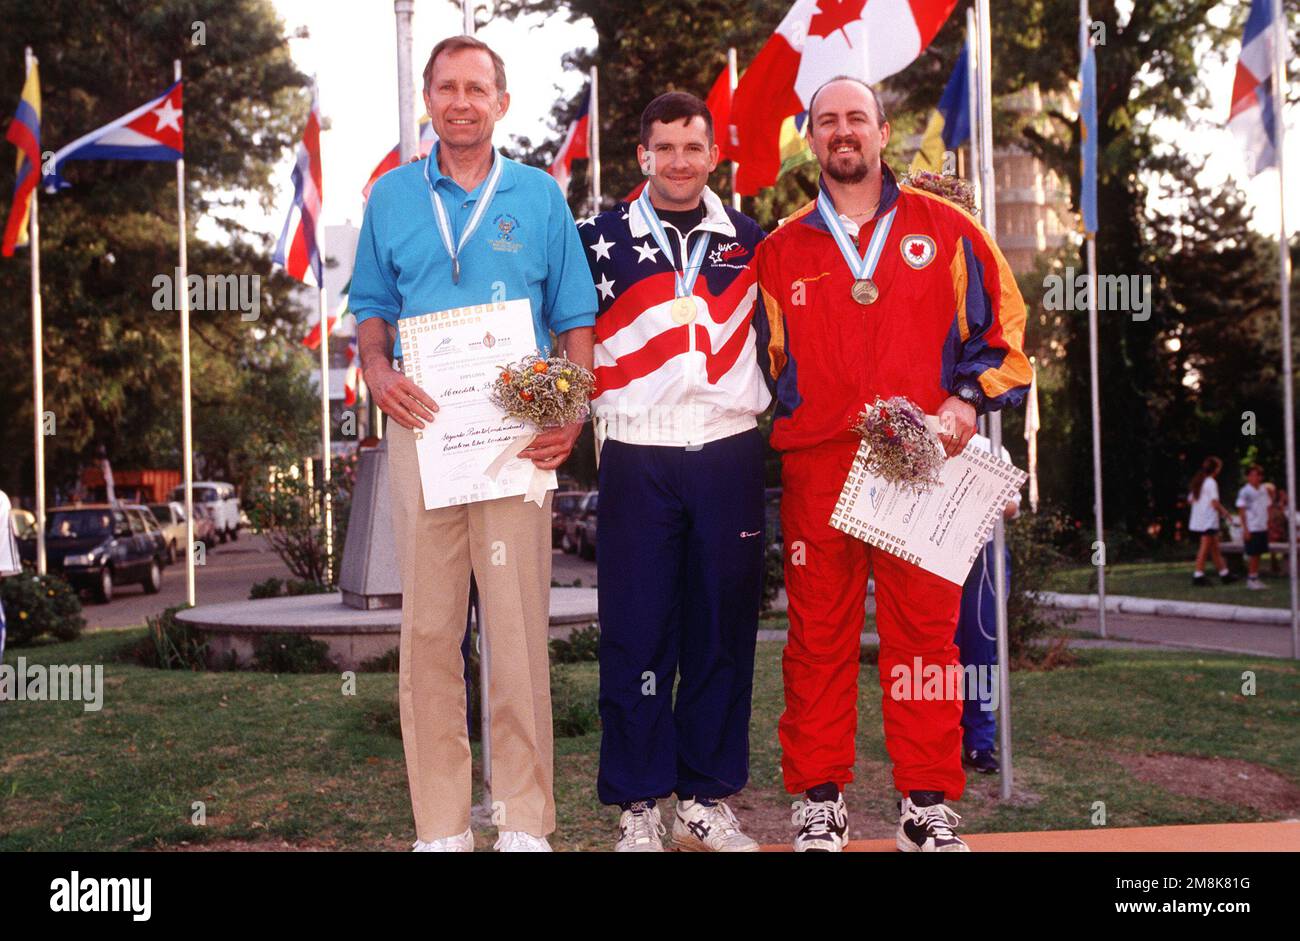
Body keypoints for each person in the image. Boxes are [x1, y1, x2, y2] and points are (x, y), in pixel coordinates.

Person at [753, 76, 1032, 852]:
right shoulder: (779, 250)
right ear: (810, 137)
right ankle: (820, 799)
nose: (843, 132)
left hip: (922, 462)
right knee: (817, 637)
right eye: (827, 121)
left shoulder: (948, 229)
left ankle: (926, 804)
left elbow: (1005, 332)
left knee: (926, 640)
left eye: (856, 119)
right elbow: (757, 368)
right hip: (820, 468)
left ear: (883, 130)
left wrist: (966, 403)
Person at [351, 35, 598, 853]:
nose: (461, 101)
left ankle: (523, 817)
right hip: (423, 429)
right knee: (426, 632)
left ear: (501, 102)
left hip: (517, 435)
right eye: (446, 88)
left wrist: (573, 407)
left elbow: (574, 318)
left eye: (476, 88)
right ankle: (443, 824)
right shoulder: (389, 196)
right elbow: (371, 315)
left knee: (517, 626)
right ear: (429, 100)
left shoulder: (538, 194)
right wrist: (378, 372)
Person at [579, 92, 770, 852]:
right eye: (665, 148)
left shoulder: (753, 239)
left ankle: (704, 795)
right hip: (637, 450)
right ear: (642, 156)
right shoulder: (599, 239)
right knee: (636, 630)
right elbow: (559, 332)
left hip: (728, 448)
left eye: (694, 147)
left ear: (713, 154)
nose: (680, 161)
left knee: (721, 629)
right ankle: (637, 806)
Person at [953, 434, 1021, 774]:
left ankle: (980, 743)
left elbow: (1012, 506)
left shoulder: (990, 447)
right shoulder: (927, 437)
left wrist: (980, 497)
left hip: (984, 556)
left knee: (982, 651)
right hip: (940, 554)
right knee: (940, 650)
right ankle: (942, 741)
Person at [1187, 456, 1236, 587]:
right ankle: (1198, 575)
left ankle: (1225, 574)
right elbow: (1214, 503)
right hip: (1208, 520)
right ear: (1216, 469)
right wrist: (1225, 513)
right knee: (1204, 549)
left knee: (1215, 549)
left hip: (1200, 520)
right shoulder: (1211, 482)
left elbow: (1190, 499)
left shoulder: (1199, 481)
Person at [1236, 464, 1271, 591]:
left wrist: (1268, 524)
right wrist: (1245, 529)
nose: (1254, 477)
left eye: (1256, 475)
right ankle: (1250, 580)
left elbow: (1267, 506)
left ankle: (1255, 577)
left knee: (1259, 553)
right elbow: (1241, 511)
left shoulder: (1263, 489)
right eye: (1251, 475)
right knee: (1253, 554)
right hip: (1252, 527)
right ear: (1247, 477)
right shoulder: (1244, 491)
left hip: (1262, 526)